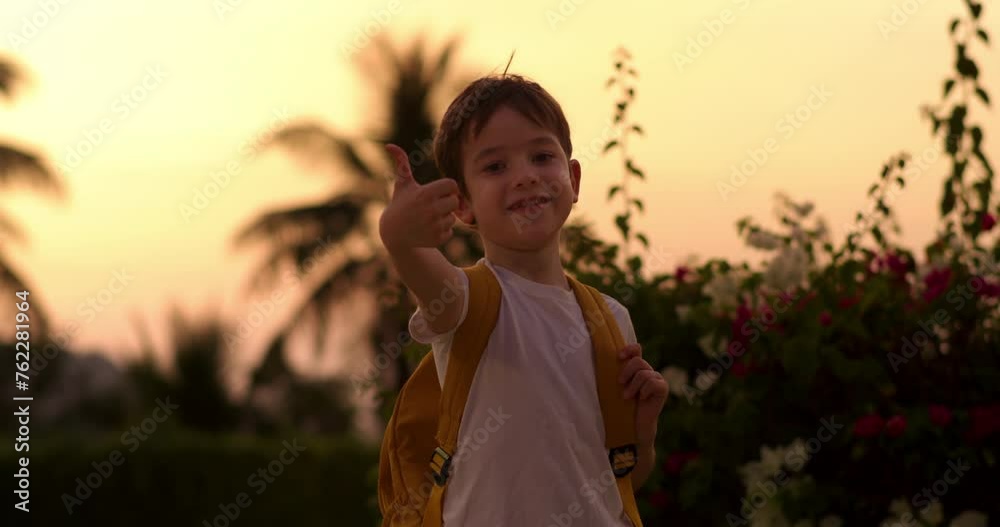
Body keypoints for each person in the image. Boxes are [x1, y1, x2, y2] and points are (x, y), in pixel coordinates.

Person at [378, 72, 668, 526]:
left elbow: (621, 476)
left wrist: (644, 430)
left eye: (542, 156)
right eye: (495, 167)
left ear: (572, 178)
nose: (526, 176)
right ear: (463, 206)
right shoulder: (468, 300)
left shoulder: (610, 318)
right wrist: (398, 234)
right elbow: (418, 265)